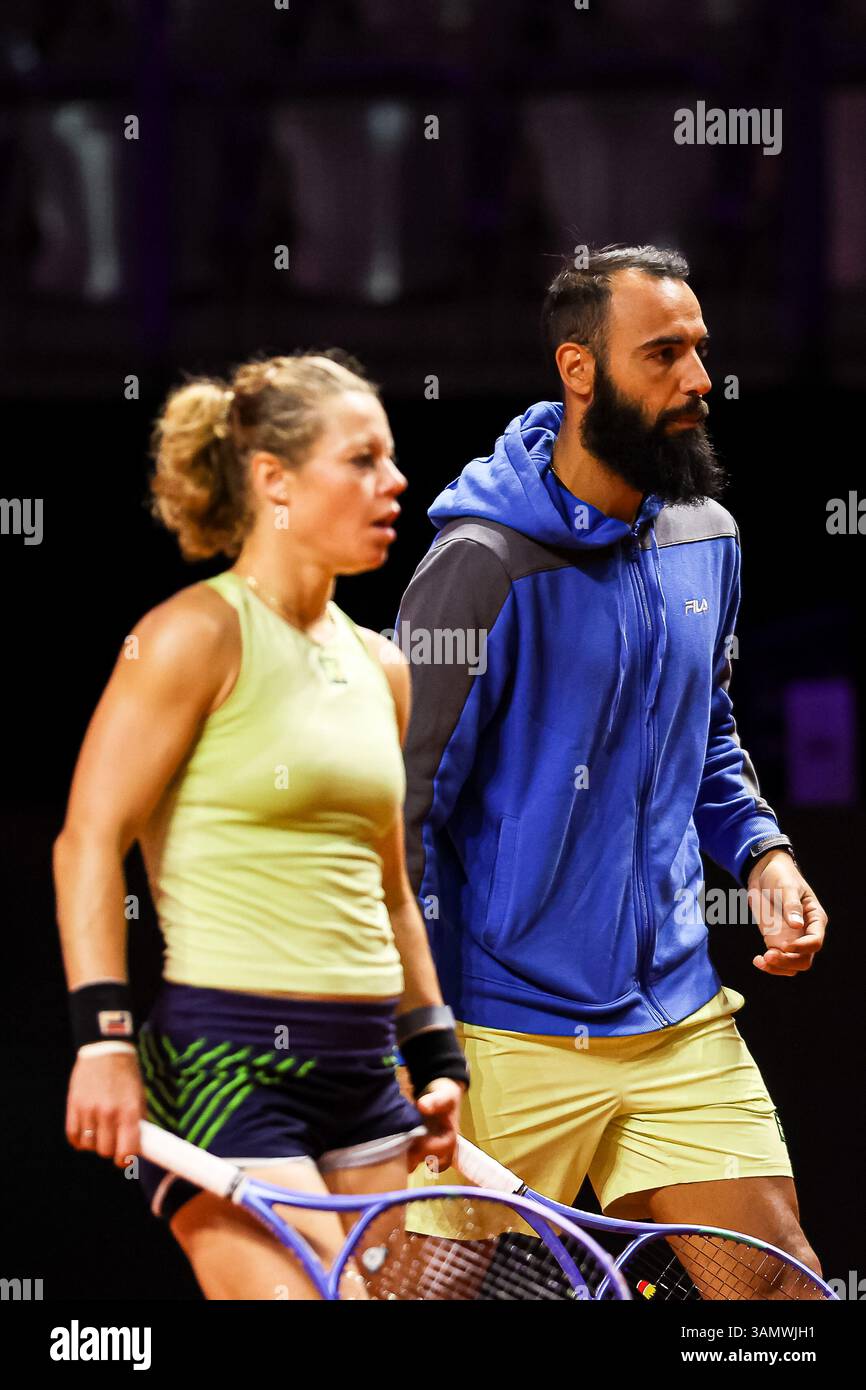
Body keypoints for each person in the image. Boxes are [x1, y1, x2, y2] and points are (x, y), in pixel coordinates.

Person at [396, 246, 827, 1284]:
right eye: (664, 355)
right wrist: (407, 1036)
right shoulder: (478, 568)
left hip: (676, 1019)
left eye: (700, 352)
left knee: (771, 1285)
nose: (697, 381)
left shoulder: (706, 539)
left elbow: (706, 737)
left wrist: (762, 857)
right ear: (578, 370)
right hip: (500, 1030)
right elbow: (396, 814)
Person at [54, 350, 469, 1300]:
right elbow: (86, 840)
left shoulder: (383, 666)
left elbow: (391, 885)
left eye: (391, 458)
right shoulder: (190, 636)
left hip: (367, 1071)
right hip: (223, 1067)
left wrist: (435, 1054)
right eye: (361, 459)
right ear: (273, 480)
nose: (395, 481)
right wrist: (103, 1039)